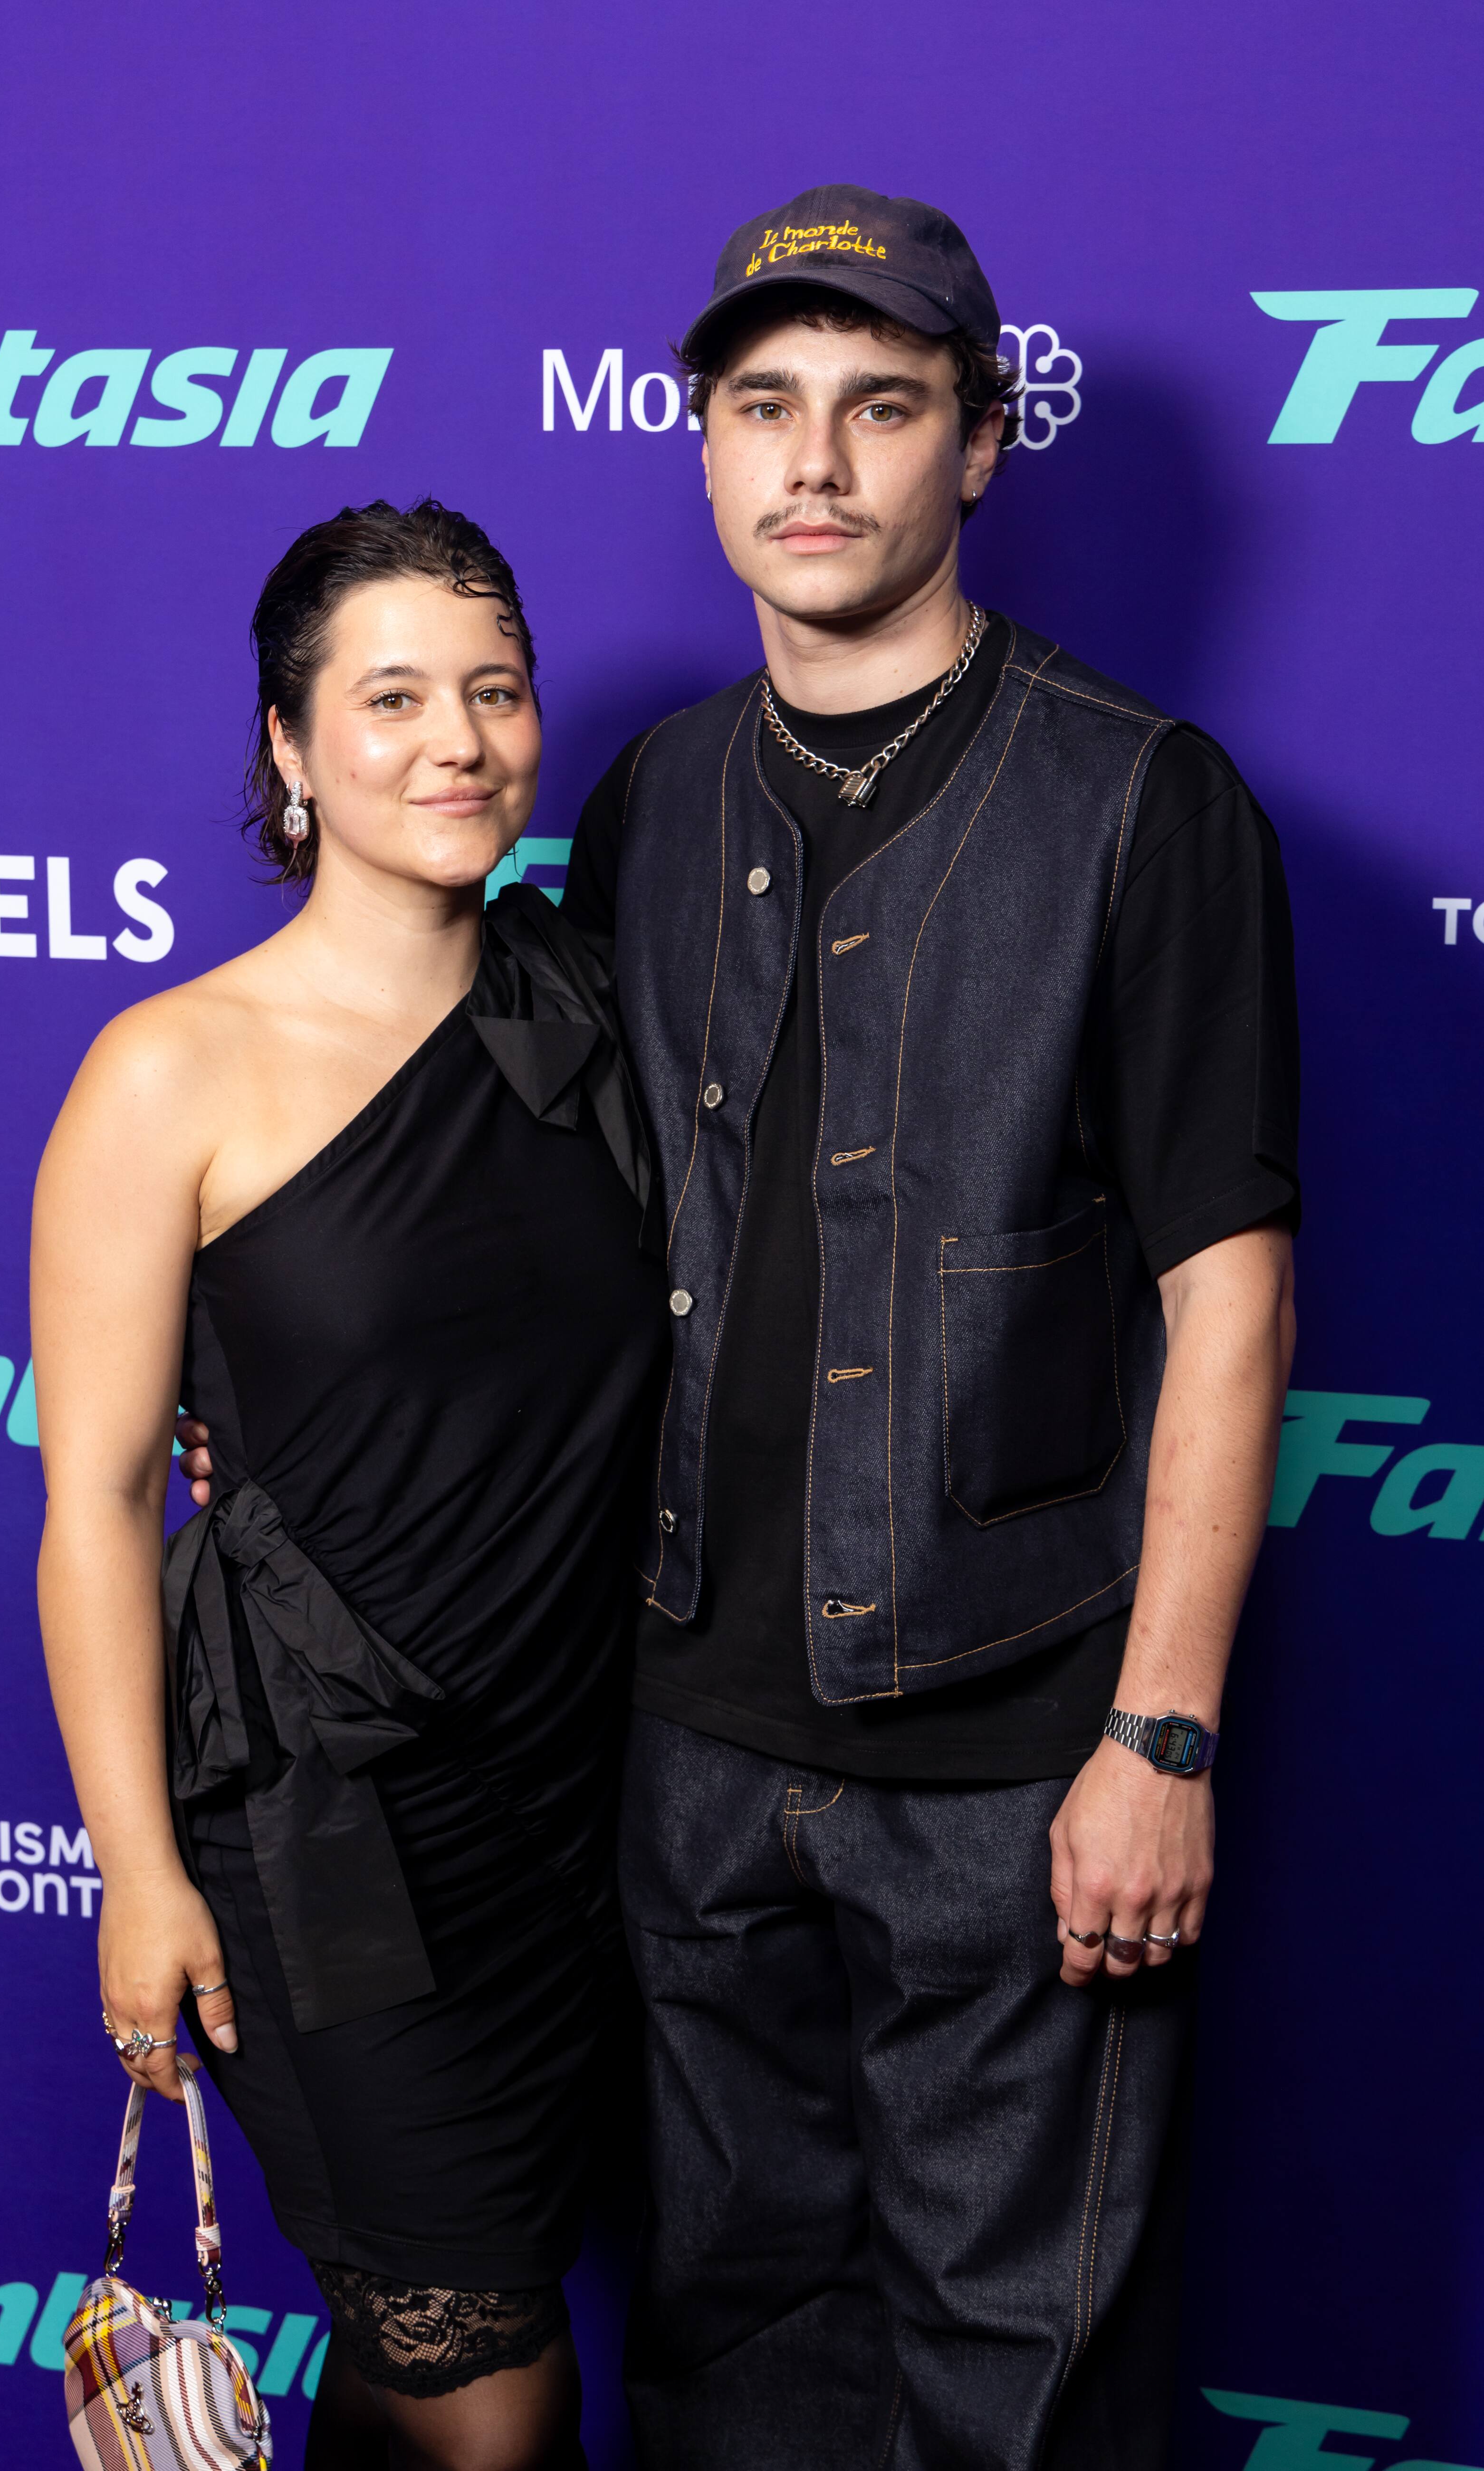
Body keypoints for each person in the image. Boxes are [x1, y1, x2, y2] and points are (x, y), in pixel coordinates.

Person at [558, 188, 1300, 2467]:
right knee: (725, 2372)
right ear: (702, 451)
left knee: (1025, 2390)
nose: (817, 462)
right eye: (765, 409)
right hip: (687, 1752)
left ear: (980, 445)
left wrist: (1157, 1742)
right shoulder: (650, 795)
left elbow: (1230, 1288)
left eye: (882, 408)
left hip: (1013, 1769)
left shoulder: (1140, 799)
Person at [32, 498, 666, 2471]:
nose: (458, 737)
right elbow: (95, 1509)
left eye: (493, 689)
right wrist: (138, 1873)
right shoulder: (171, 1068)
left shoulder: (603, 1003)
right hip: (332, 1828)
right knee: (485, 2385)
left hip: (606, 1806)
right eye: (391, 698)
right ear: (291, 750)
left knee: (437, 2378)